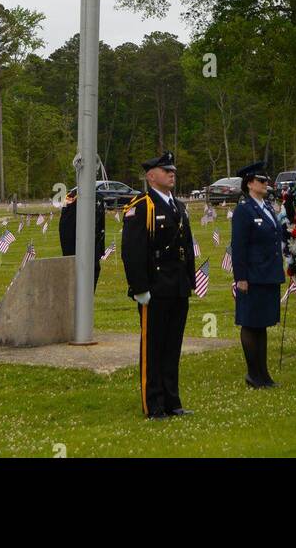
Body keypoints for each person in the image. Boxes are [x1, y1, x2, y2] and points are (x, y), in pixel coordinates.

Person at [121, 150, 197, 417]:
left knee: (172, 347)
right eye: (167, 171)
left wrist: (190, 279)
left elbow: (186, 246)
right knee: (153, 348)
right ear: (151, 176)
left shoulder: (178, 206)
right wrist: (140, 288)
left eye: (173, 171)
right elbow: (132, 251)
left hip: (177, 286)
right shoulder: (141, 206)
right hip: (154, 288)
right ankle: (153, 404)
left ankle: (172, 401)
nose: (172, 174)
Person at [231, 162, 285, 389]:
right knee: (251, 323)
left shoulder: (268, 207)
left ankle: (263, 373)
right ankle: (254, 374)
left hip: (269, 273)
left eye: (267, 180)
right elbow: (239, 245)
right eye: (262, 181)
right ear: (250, 183)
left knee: (262, 324)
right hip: (252, 275)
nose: (266, 184)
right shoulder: (244, 210)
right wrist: (240, 276)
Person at [58, 186, 106, 289]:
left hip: (93, 251)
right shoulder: (73, 197)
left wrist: (100, 250)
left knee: (92, 280)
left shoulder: (98, 197)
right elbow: (65, 228)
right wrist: (70, 256)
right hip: (77, 251)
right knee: (77, 289)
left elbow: (100, 226)